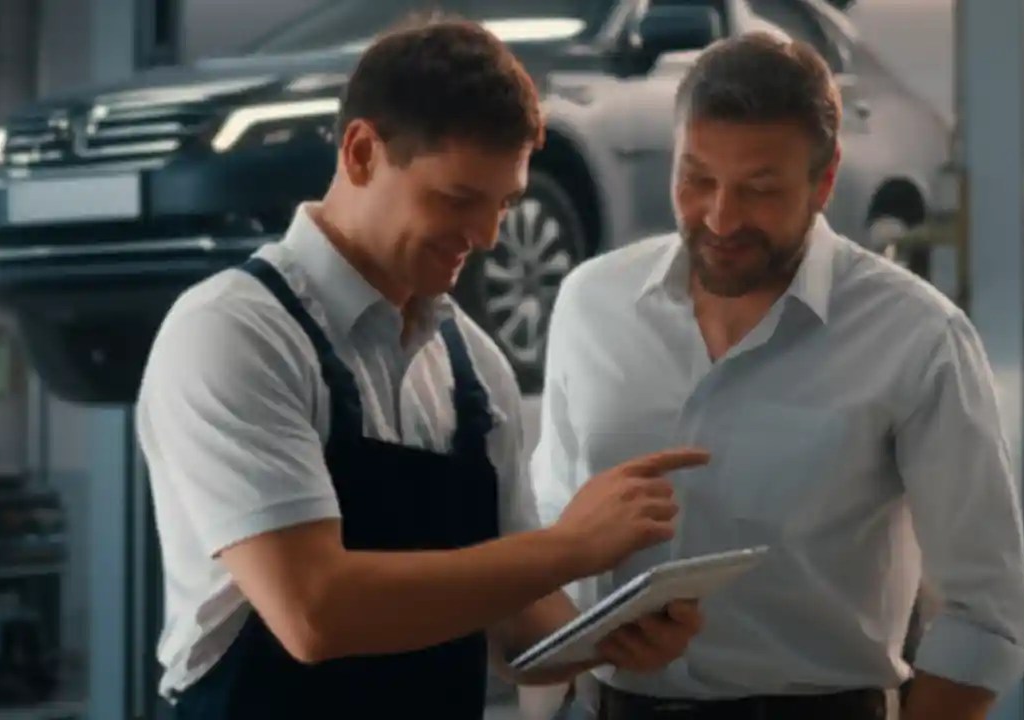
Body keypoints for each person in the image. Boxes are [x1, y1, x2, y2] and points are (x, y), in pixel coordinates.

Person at [135, 17, 710, 720]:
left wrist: (610, 636)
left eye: (503, 204)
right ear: (361, 153)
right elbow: (314, 611)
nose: (488, 236)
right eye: (458, 198)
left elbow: (515, 626)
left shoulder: (475, 367)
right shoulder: (233, 333)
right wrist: (569, 548)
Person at [529, 32, 1024, 720]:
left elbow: (988, 611)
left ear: (824, 183)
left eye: (760, 188)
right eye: (696, 178)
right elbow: (550, 528)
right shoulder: (593, 304)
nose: (720, 217)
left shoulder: (917, 336)